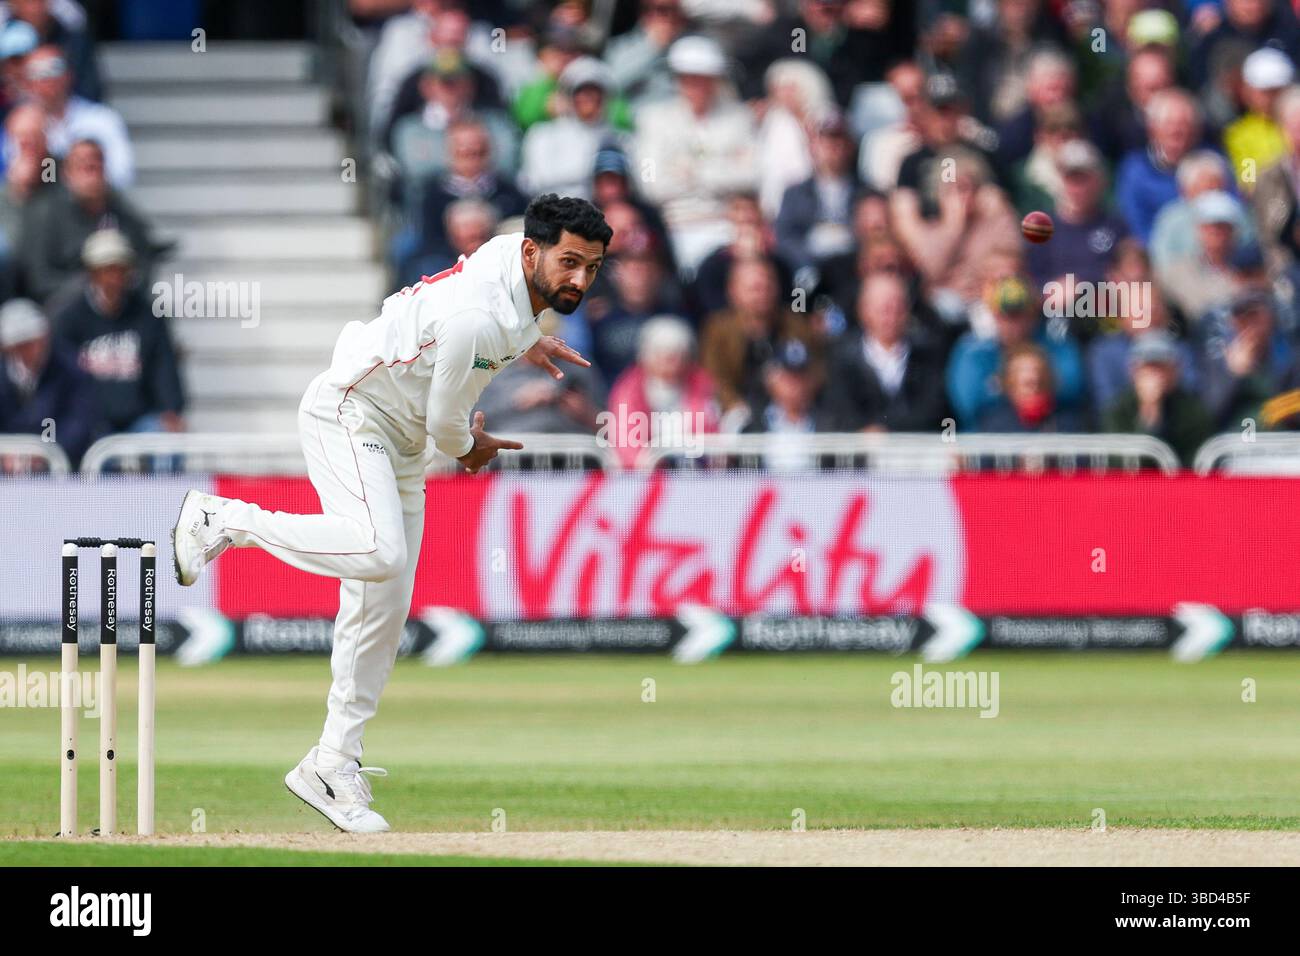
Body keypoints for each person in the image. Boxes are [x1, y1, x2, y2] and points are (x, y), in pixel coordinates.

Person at [170, 195, 610, 832]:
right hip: (351, 410)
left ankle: (331, 762)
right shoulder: (478, 317)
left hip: (398, 436)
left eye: (593, 267)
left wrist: (525, 344)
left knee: (385, 601)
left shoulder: (511, 279)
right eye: (570, 262)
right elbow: (448, 425)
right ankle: (224, 521)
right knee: (379, 551)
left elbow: (484, 332)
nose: (580, 280)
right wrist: (473, 446)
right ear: (530, 251)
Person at [51, 229, 186, 437]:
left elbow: (164, 368)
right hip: (88, 421)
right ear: (92, 273)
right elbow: (60, 376)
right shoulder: (69, 319)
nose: (113, 279)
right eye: (107, 270)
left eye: (119, 270)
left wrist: (171, 409)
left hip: (139, 419)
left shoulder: (148, 317)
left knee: (163, 436)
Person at [0, 296, 100, 467]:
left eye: (33, 342)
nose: (30, 351)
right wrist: (5, 452)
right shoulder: (4, 373)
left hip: (58, 465)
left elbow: (78, 420)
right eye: (20, 345)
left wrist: (45, 453)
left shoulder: (70, 367)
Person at [1100, 331, 1215, 465]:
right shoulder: (1118, 409)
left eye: (1161, 367)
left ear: (1175, 371)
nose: (1155, 376)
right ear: (1133, 372)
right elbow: (1121, 463)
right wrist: (1150, 414)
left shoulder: (1193, 411)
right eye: (1149, 367)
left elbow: (1195, 463)